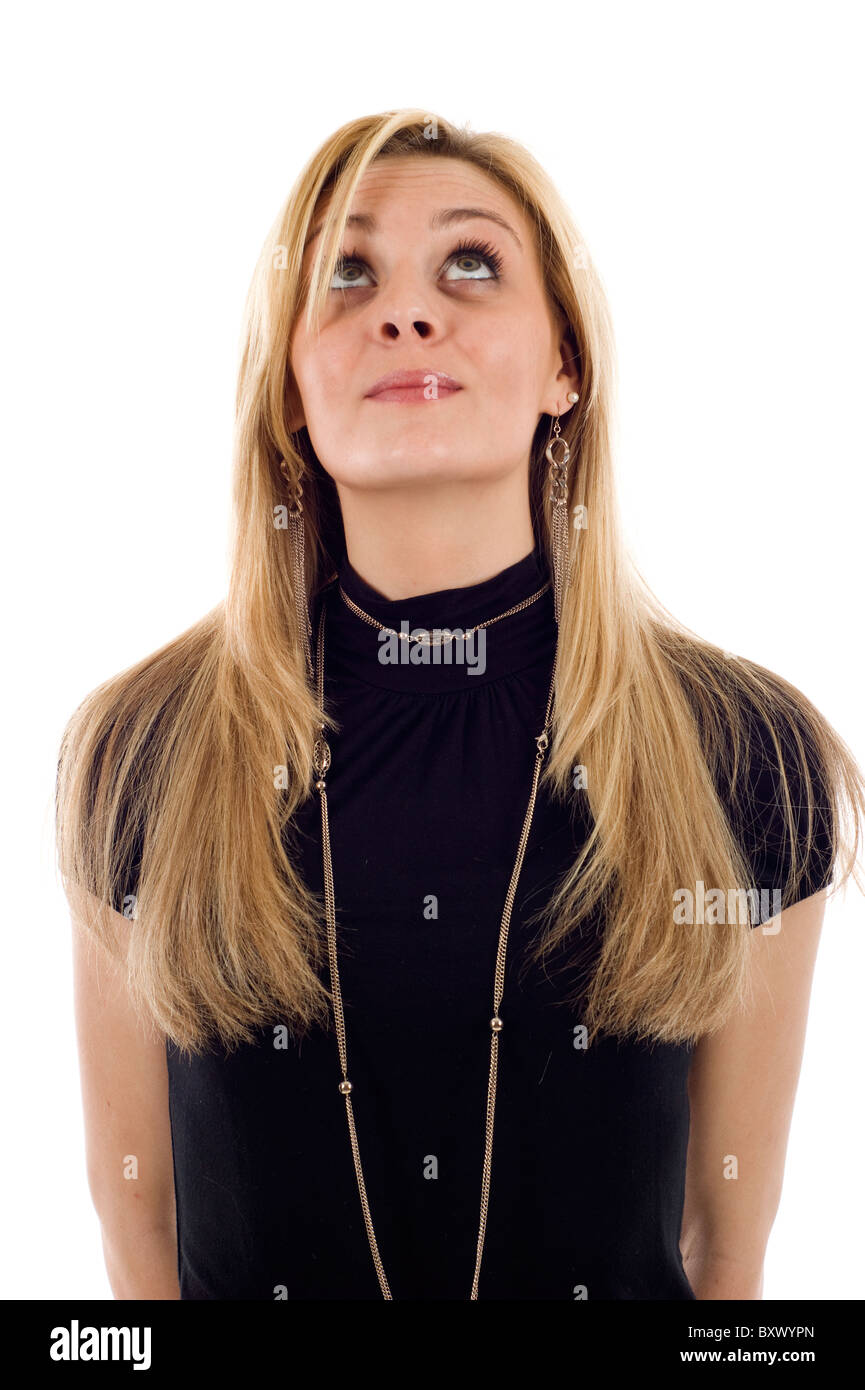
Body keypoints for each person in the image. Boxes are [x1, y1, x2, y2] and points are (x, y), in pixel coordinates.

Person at [56, 108, 864, 1302]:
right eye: (348, 273)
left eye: (470, 264)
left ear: (564, 364)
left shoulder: (747, 753)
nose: (406, 310)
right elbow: (140, 1238)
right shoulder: (143, 749)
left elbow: (721, 1250)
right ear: (289, 388)